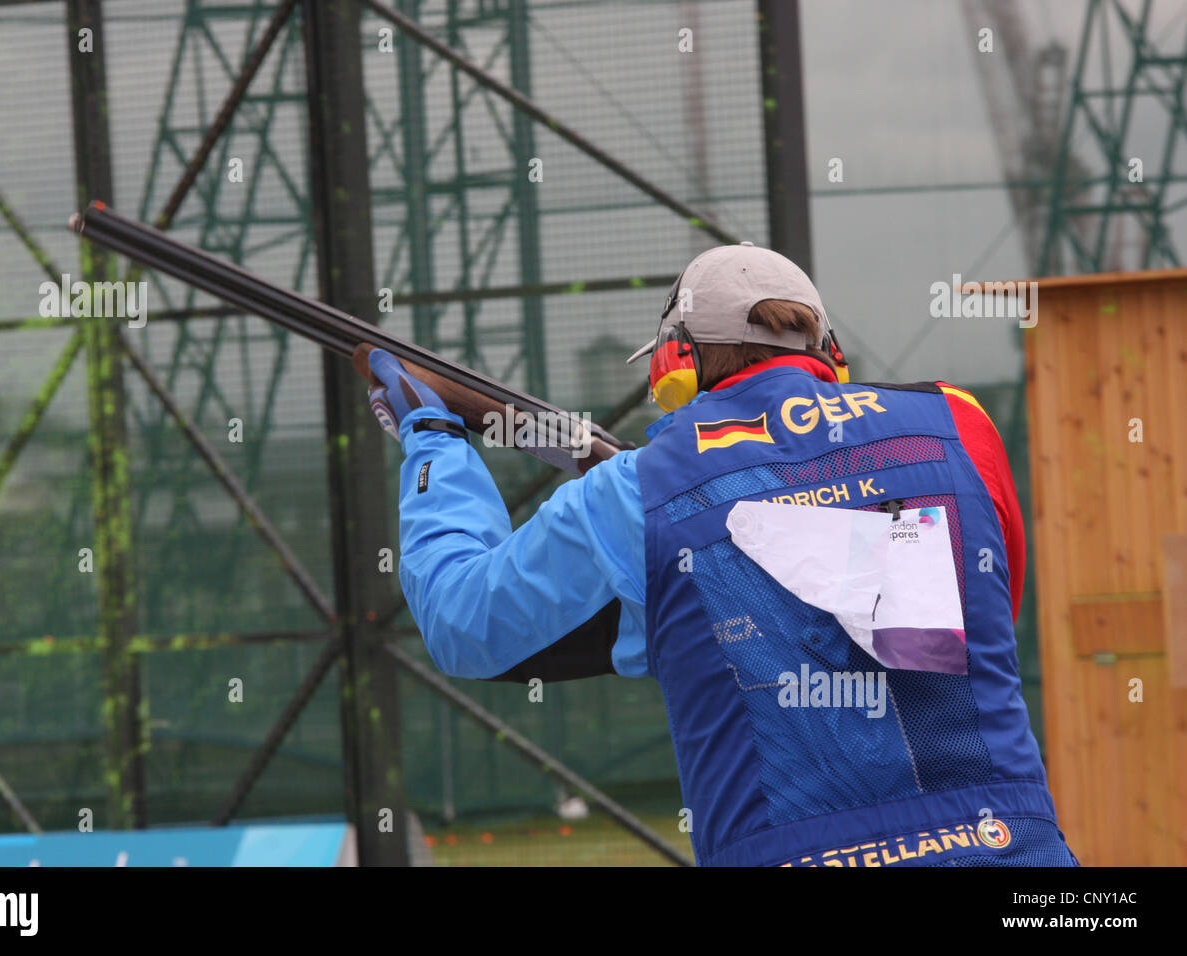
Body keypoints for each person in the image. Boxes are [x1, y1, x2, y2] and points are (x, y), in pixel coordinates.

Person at [365, 242, 1077, 867]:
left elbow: (461, 623)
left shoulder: (638, 489)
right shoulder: (960, 420)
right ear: (829, 352)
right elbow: (989, 612)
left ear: (675, 363)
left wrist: (432, 442)